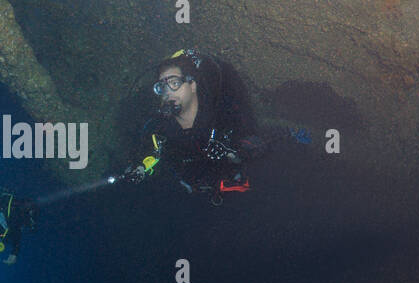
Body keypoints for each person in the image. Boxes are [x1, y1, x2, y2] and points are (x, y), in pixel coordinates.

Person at [121, 49, 298, 202]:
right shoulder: (158, 128)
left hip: (237, 192)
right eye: (162, 87)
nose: (168, 92)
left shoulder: (222, 114)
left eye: (174, 83)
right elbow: (152, 155)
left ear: (192, 85)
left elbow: (256, 146)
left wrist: (230, 152)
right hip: (190, 197)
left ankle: (293, 132)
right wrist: (140, 168)